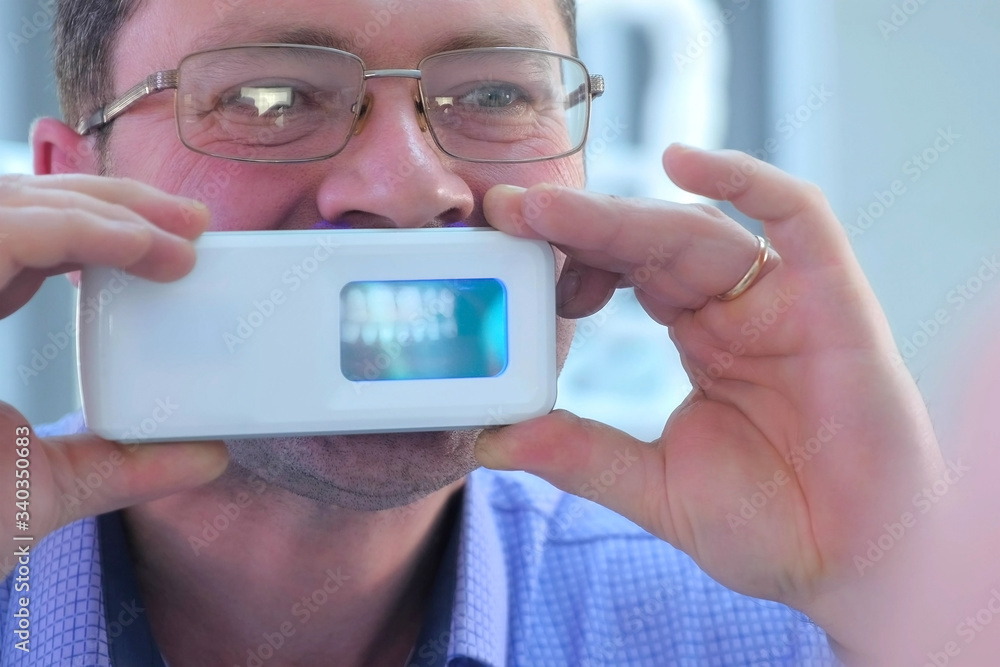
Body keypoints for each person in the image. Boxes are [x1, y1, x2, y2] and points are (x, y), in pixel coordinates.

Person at [0, 0, 944, 664]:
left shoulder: (783, 619)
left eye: (495, 96)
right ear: (67, 185)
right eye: (268, 98)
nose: (412, 190)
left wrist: (897, 595)